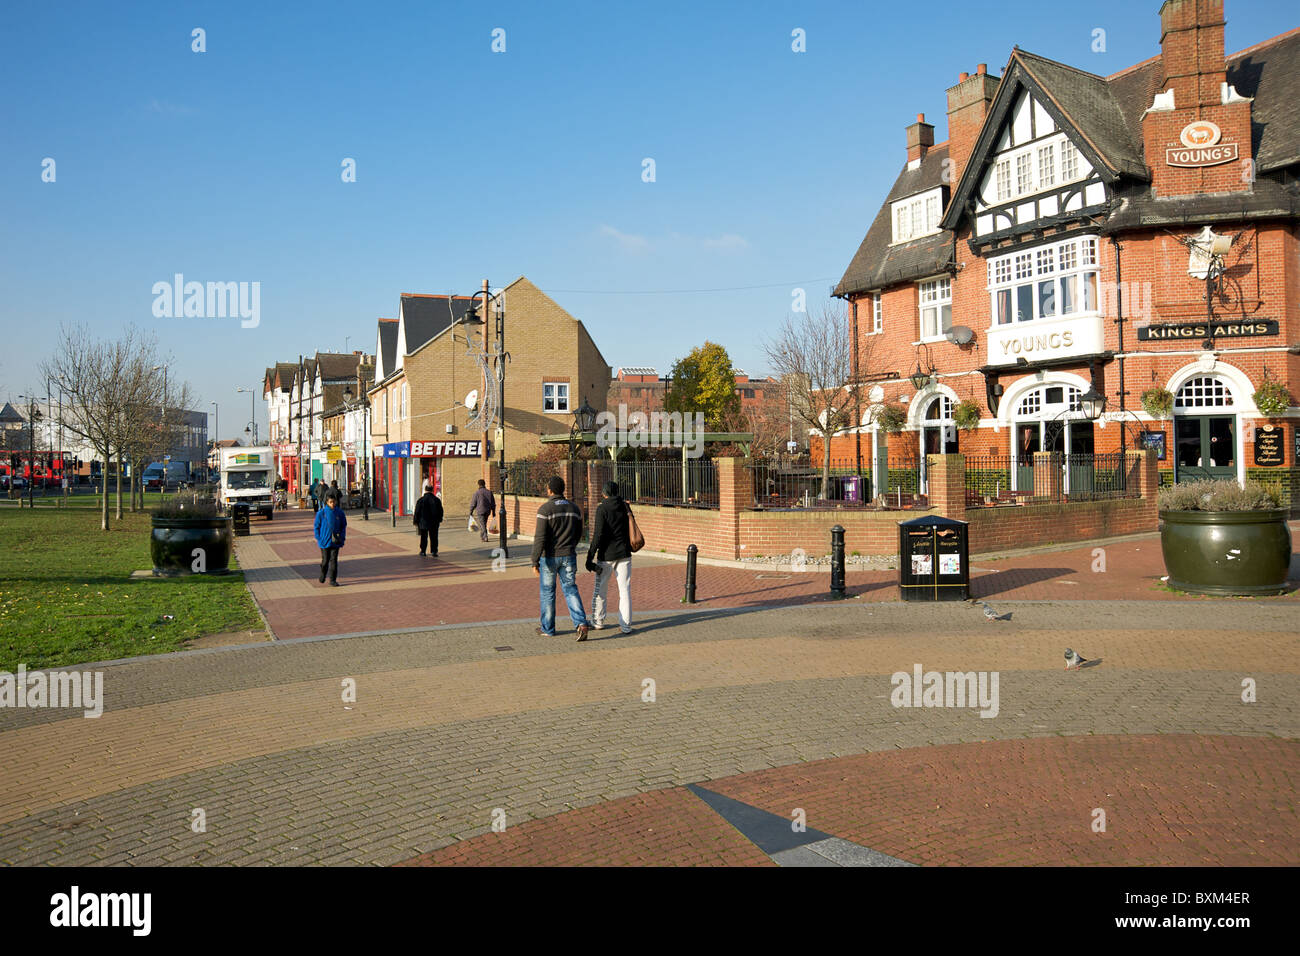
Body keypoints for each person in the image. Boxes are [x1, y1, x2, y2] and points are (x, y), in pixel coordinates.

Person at [530, 475, 590, 641]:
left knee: (548, 593)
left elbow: (540, 537)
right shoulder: (575, 508)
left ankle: (548, 629)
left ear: (550, 490)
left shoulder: (545, 510)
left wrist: (534, 560)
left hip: (549, 558)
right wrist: (571, 546)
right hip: (569, 555)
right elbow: (579, 533)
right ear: (563, 490)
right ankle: (581, 623)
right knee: (570, 589)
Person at [586, 480, 634, 635]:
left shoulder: (602, 509)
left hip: (606, 556)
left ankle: (598, 621)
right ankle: (626, 626)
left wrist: (590, 555)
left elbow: (598, 534)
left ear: (604, 493)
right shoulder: (625, 506)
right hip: (625, 554)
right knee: (625, 591)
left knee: (601, 589)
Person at [314, 489, 347, 586]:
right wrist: (319, 538)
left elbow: (343, 526)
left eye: (334, 502)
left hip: (335, 541)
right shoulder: (321, 513)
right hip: (324, 541)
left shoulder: (340, 513)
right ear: (327, 502)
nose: (333, 504)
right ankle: (323, 573)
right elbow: (316, 527)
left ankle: (332, 580)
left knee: (334, 561)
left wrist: (342, 537)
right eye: (330, 502)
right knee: (325, 561)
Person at [413, 482, 444, 557]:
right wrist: (440, 519)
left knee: (424, 536)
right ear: (432, 490)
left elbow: (417, 511)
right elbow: (441, 511)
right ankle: (434, 551)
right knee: (434, 536)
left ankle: (423, 551)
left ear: (425, 490)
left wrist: (415, 521)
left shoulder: (421, 500)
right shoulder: (437, 500)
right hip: (434, 522)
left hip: (423, 522)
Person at [469, 478, 496, 543]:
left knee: (482, 524)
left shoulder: (477, 493)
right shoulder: (489, 492)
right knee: (483, 524)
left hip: (480, 511)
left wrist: (471, 511)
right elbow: (493, 503)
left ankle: (485, 536)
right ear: (484, 484)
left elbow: (473, 503)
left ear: (478, 485)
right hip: (487, 511)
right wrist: (493, 512)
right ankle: (483, 537)